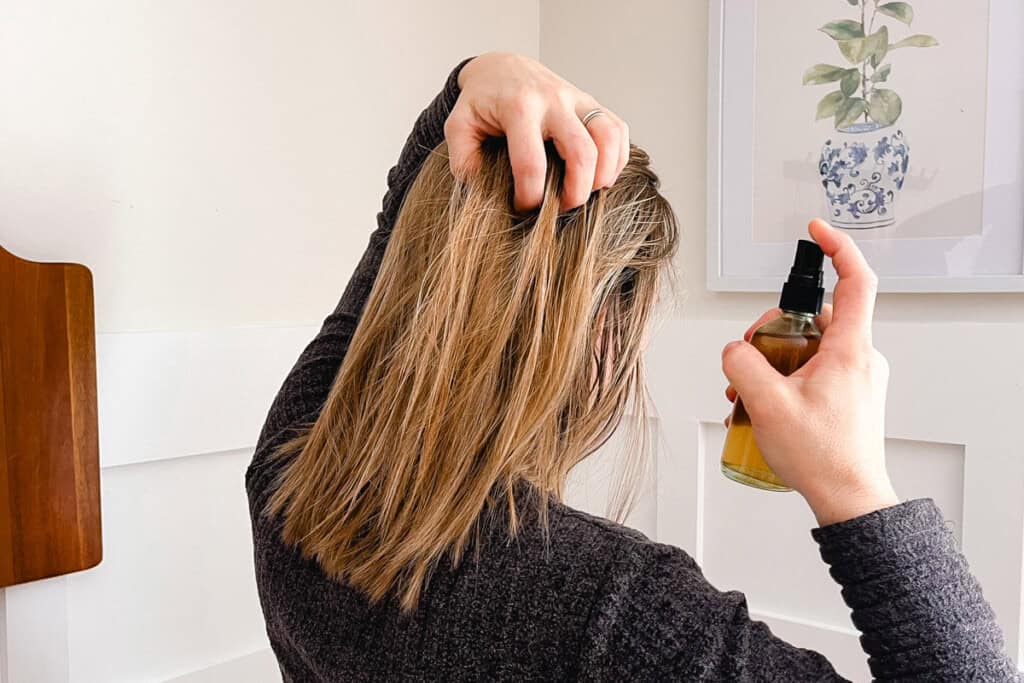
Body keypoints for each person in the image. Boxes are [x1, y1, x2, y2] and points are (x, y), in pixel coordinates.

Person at [245, 53, 1018, 681]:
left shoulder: (292, 468)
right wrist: (856, 488)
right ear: (599, 335)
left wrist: (475, 75)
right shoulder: (614, 613)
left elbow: (392, 241)